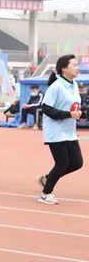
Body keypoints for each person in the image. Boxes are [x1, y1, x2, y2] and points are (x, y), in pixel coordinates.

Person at [36, 55, 83, 205]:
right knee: (62, 163)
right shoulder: (56, 86)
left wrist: (78, 113)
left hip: (69, 131)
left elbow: (73, 106)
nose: (77, 68)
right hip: (55, 131)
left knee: (76, 163)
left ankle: (47, 179)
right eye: (74, 65)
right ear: (64, 68)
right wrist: (68, 114)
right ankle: (46, 193)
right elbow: (46, 109)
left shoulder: (74, 84)